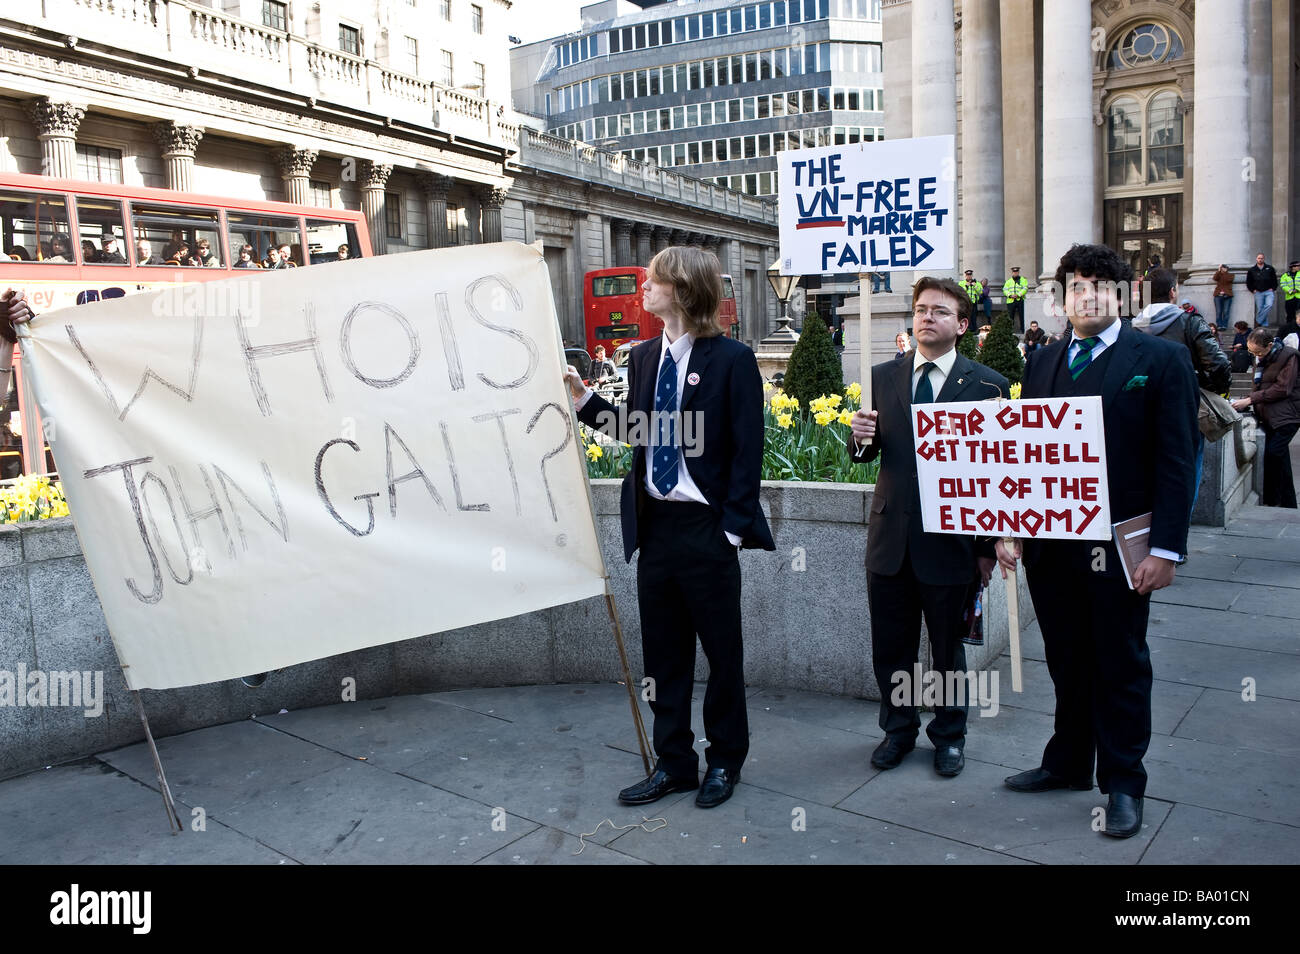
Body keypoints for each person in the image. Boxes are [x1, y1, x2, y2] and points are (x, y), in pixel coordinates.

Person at [997, 242, 1198, 840]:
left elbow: (1178, 460)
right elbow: (1028, 454)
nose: (1084, 296)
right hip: (1052, 545)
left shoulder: (1160, 360)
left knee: (1120, 662)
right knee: (1065, 657)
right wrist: (1012, 524)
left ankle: (1123, 782)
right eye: (1074, 286)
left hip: (1121, 544)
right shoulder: (1043, 361)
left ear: (1121, 292)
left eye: (1096, 285)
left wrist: (1167, 549)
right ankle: (1067, 762)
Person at [565, 246, 774, 809]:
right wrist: (585, 402)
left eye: (653, 282)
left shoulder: (733, 360)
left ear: (682, 289)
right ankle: (675, 764)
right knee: (664, 658)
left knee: (722, 656)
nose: (644, 290)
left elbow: (745, 454)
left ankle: (724, 762)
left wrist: (730, 531)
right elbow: (639, 432)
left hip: (707, 531)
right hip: (656, 529)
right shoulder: (641, 359)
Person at [847, 276, 1008, 779]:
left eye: (939, 311)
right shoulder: (881, 375)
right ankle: (897, 730)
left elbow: (995, 475)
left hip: (952, 542)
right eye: (920, 309)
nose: (926, 317)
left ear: (961, 325)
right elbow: (866, 457)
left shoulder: (987, 385)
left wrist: (986, 546)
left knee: (947, 649)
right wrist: (858, 437)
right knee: (891, 647)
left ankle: (949, 736)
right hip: (890, 538)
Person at [1133, 268, 1231, 511]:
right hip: (1184, 408)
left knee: (1143, 465)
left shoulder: (1129, 327)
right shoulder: (1189, 322)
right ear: (1173, 292)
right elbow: (1218, 364)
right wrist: (1208, 389)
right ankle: (1178, 530)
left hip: (1139, 407)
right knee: (1186, 467)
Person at [1233, 329, 1300, 508]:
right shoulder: (1263, 359)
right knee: (1281, 459)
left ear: (1270, 346)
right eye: (1251, 352)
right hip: (1270, 415)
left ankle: (1272, 500)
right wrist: (1247, 399)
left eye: (1258, 352)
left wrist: (1251, 399)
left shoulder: (1289, 356)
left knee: (1273, 454)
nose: (1255, 356)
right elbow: (1260, 384)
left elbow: (1282, 388)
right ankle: (1287, 503)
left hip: (1287, 416)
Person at [1246, 252, 1279, 327]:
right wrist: (1252, 290)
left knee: (1269, 305)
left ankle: (1258, 321)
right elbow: (1249, 281)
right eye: (1259, 258)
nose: (1260, 260)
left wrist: (1273, 288)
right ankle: (1264, 324)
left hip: (1268, 291)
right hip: (1258, 292)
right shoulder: (1252, 270)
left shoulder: (1270, 268)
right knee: (1260, 308)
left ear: (1264, 259)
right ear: (1256, 259)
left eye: (1261, 258)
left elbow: (1274, 279)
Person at [1003, 266, 1028, 332]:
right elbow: (1005, 290)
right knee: (1010, 317)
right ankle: (1009, 331)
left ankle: (1023, 330)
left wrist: (1018, 295)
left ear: (1018, 272)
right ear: (1012, 272)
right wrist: (1010, 295)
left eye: (1016, 272)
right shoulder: (1008, 281)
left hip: (1020, 300)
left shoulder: (1023, 280)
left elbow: (1025, 288)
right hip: (1011, 301)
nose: (1015, 273)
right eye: (1014, 272)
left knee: (1022, 316)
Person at [1212, 264, 1234, 332]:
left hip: (1227, 296)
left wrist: (1223, 272)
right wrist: (1219, 271)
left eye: (1225, 268)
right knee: (1218, 311)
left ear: (1227, 268)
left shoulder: (1231, 275)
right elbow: (1215, 278)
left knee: (1226, 311)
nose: (1223, 269)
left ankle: (1224, 325)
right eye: (1222, 268)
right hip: (1218, 296)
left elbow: (1227, 280)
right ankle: (1219, 325)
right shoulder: (1218, 274)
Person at [1281, 261, 1300, 327]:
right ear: (1293, 267)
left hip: (1299, 297)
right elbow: (1283, 285)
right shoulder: (1285, 275)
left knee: (1298, 313)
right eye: (1297, 266)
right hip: (1290, 297)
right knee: (1290, 314)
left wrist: (1298, 290)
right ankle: (1289, 327)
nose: (1299, 267)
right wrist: (1290, 291)